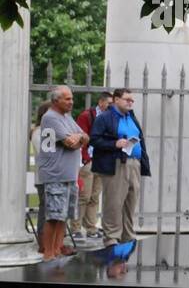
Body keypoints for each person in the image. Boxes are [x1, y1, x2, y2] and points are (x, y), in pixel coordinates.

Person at [91, 88, 151, 245]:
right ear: (116, 100)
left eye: (132, 100)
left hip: (134, 164)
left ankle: (128, 235)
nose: (130, 102)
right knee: (114, 202)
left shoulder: (131, 117)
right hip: (116, 163)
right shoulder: (105, 117)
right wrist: (114, 144)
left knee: (131, 201)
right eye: (127, 99)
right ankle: (111, 237)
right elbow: (94, 140)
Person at [36, 86, 88, 261]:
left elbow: (85, 137)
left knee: (63, 216)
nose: (71, 102)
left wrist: (79, 137)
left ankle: (57, 250)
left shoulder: (66, 117)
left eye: (71, 98)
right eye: (67, 99)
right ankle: (48, 255)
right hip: (55, 175)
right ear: (56, 100)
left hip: (69, 175)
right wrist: (78, 138)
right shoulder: (50, 117)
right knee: (53, 216)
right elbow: (69, 143)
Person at [74, 91, 111, 239]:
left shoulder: (109, 118)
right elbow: (80, 137)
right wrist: (84, 159)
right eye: (109, 103)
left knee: (95, 197)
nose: (111, 106)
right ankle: (76, 228)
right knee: (84, 196)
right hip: (88, 160)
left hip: (101, 161)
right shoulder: (86, 116)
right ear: (101, 102)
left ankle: (91, 228)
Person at [29, 99, 51, 253]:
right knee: (46, 209)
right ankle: (43, 242)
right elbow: (46, 153)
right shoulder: (38, 132)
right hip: (45, 178)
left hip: (53, 176)